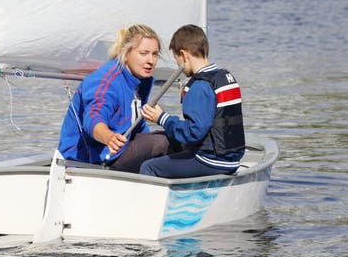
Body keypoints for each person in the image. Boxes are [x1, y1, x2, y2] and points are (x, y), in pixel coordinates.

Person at [58, 23, 170, 173]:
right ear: (126, 53)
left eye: (155, 54)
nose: (150, 60)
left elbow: (137, 125)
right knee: (161, 143)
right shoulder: (105, 81)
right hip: (88, 159)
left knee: (177, 138)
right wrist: (109, 137)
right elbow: (93, 119)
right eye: (143, 53)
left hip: (120, 151)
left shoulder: (140, 80)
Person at [139, 24, 245, 178]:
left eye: (176, 59)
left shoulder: (200, 86)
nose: (178, 66)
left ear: (184, 55)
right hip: (232, 160)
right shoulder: (226, 77)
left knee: (149, 167)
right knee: (175, 147)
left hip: (210, 161)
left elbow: (194, 132)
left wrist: (162, 118)